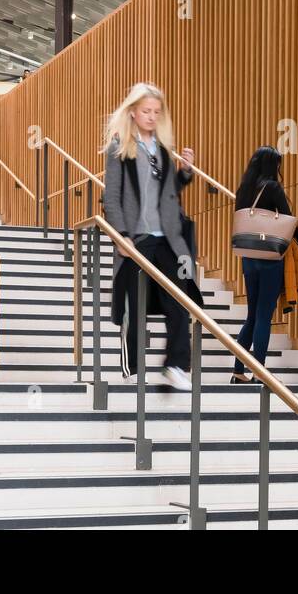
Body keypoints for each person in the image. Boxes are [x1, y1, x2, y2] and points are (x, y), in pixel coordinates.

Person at [101, 82, 202, 391]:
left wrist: (185, 172)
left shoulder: (163, 148)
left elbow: (166, 194)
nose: (151, 116)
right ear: (132, 112)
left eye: (156, 112)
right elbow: (112, 198)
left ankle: (175, 365)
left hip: (168, 238)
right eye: (146, 111)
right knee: (134, 305)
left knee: (180, 300)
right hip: (136, 240)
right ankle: (132, 367)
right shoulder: (119, 147)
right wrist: (121, 236)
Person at [229, 146, 293, 385]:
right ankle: (260, 373)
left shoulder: (243, 189)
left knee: (252, 315)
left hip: (248, 256)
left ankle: (238, 370)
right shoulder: (273, 187)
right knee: (264, 315)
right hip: (269, 257)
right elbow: (287, 218)